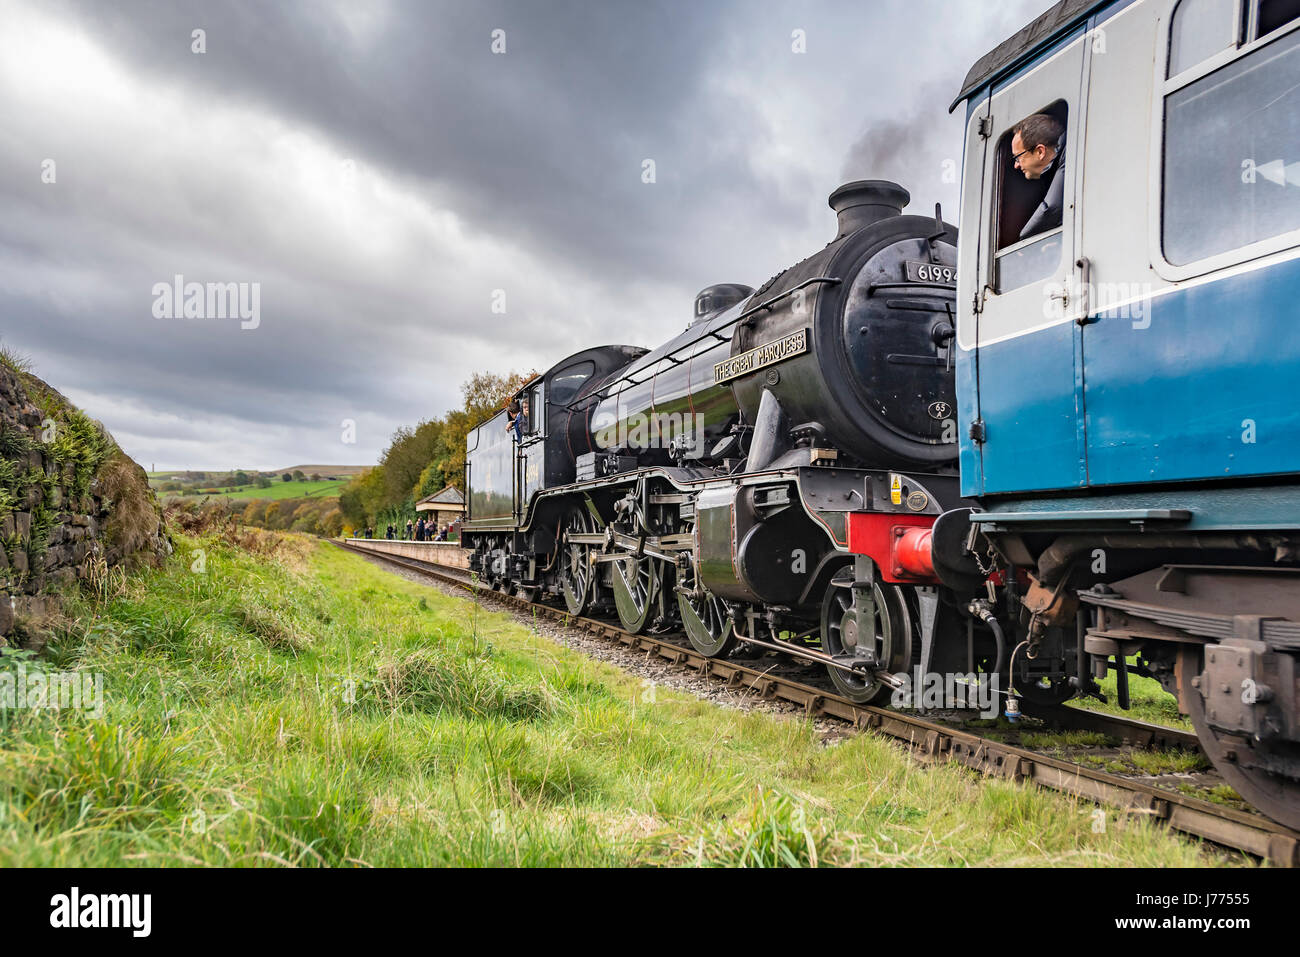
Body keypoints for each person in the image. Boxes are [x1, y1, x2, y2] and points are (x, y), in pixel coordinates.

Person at [1011, 113, 1066, 241]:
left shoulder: (1068, 156)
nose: (1016, 165)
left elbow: (1051, 209)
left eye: (1017, 157)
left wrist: (1024, 243)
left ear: (1040, 151)